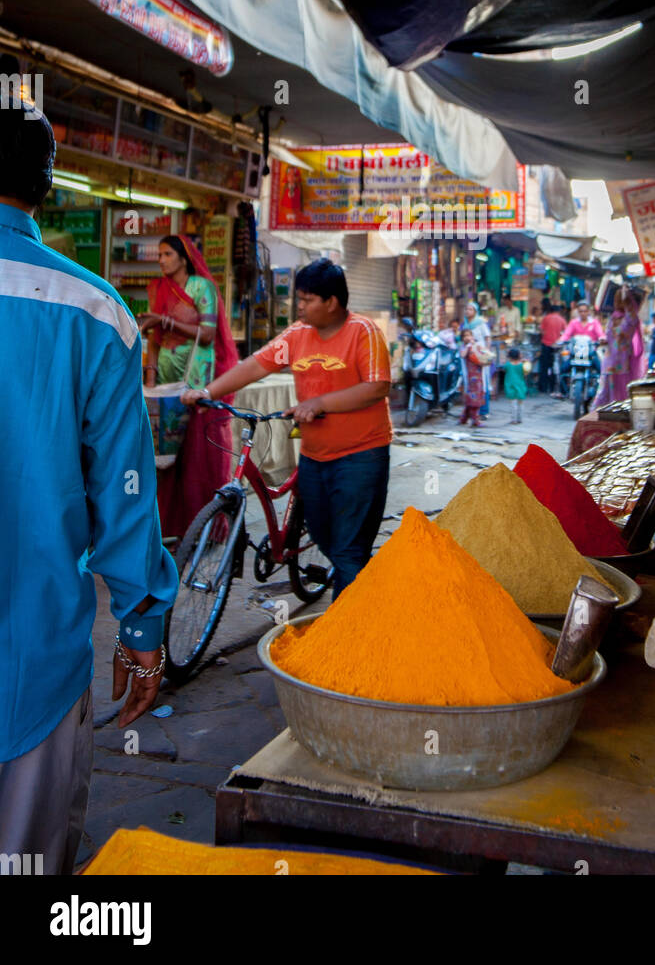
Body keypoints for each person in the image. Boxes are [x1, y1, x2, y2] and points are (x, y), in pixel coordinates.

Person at [0, 106, 177, 874]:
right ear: (44, 186)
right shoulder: (95, 311)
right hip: (33, 662)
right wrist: (141, 633)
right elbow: (126, 493)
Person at [184, 258, 391, 599]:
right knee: (327, 538)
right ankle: (359, 591)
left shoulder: (363, 333)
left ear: (332, 302)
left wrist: (319, 403)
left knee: (348, 552)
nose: (300, 306)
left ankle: (345, 638)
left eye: (307, 299)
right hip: (313, 456)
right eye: (300, 298)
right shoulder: (297, 335)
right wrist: (208, 392)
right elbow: (254, 366)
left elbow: (376, 387)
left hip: (361, 457)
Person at [137, 234, 239, 541]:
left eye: (167, 254)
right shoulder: (158, 289)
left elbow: (207, 334)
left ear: (184, 258)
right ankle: (169, 526)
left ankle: (202, 527)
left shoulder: (201, 287)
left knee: (196, 452)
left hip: (196, 378)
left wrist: (164, 321)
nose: (162, 260)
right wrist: (151, 379)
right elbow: (153, 338)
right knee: (166, 456)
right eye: (159, 255)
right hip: (166, 378)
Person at [592, 288, 641, 408]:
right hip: (616, 361)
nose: (617, 303)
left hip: (620, 361)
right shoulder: (618, 318)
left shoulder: (626, 318)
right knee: (611, 392)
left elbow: (622, 333)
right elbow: (613, 336)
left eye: (620, 300)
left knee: (614, 392)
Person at [462, 300, 493, 416]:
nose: (467, 311)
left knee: (483, 383)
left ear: (475, 311)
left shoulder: (480, 323)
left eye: (470, 309)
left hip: (480, 356)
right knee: (471, 383)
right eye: (466, 309)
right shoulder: (465, 324)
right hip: (469, 358)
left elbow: (488, 338)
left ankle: (484, 411)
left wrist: (486, 352)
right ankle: (472, 410)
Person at [538, 297, 567, 394]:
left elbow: (541, 331)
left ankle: (543, 387)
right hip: (556, 347)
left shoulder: (546, 318)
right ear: (558, 311)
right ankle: (552, 387)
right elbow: (565, 333)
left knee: (544, 367)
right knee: (556, 366)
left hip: (545, 344)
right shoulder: (562, 320)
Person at [459, 328, 485, 426]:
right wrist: (469, 345)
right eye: (465, 336)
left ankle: (463, 418)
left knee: (476, 395)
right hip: (469, 376)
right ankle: (475, 419)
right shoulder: (463, 347)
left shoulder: (476, 345)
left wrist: (474, 345)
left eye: (469, 335)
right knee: (472, 397)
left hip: (478, 374)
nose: (468, 337)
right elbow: (462, 355)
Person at [503, 346, 528, 423]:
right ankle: (520, 419)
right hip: (521, 385)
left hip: (510, 386)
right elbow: (526, 373)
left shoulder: (507, 365)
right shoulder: (522, 365)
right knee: (520, 403)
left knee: (513, 404)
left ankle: (513, 419)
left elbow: (504, 369)